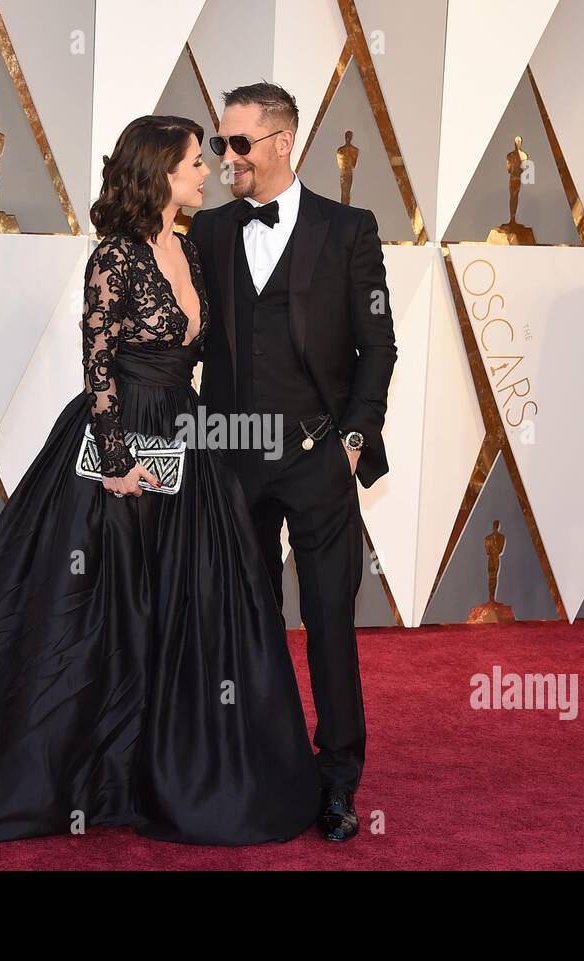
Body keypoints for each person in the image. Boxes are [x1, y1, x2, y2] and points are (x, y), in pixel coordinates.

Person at [0, 115, 321, 845]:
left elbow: (197, 360)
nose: (207, 172)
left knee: (184, 604)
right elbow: (98, 364)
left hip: (184, 439)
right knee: (98, 609)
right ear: (160, 172)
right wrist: (112, 460)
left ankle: (165, 769)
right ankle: (79, 771)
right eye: (195, 161)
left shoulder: (191, 250)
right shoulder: (114, 257)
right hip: (119, 437)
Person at [188, 82, 397, 841]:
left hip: (318, 458)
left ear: (283, 143)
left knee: (330, 620)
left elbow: (379, 345)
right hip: (234, 457)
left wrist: (352, 441)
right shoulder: (207, 232)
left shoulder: (350, 229)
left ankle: (339, 779)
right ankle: (259, 765)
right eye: (220, 144)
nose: (226, 158)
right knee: (246, 620)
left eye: (239, 144)